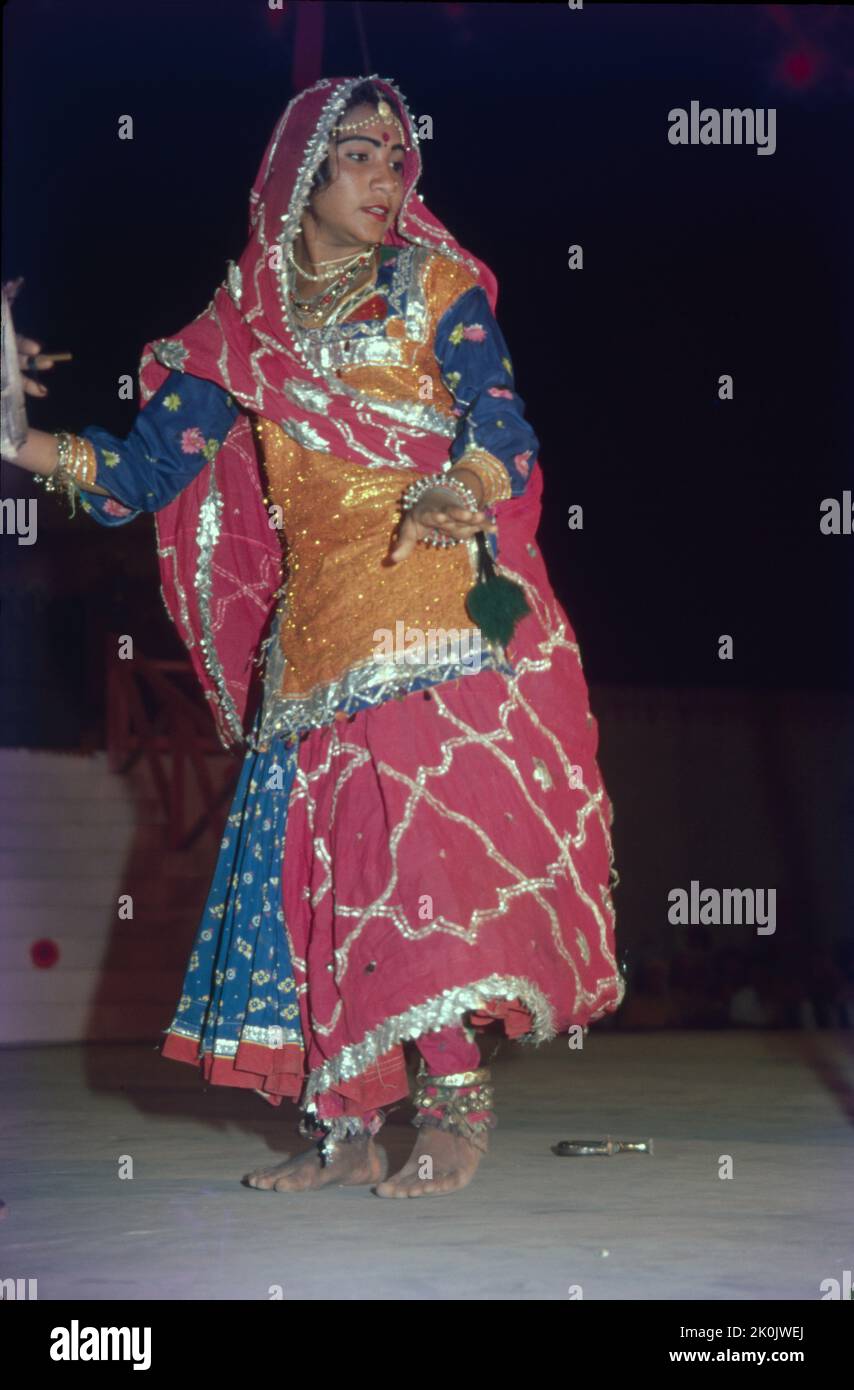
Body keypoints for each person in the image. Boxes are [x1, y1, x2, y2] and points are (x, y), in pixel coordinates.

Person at [6, 75, 624, 1198]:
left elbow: (502, 421)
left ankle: (453, 1104)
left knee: (410, 864)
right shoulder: (236, 330)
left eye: (396, 157)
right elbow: (141, 477)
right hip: (310, 649)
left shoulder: (436, 287)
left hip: (431, 612)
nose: (386, 178)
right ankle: (345, 1125)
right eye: (358, 155)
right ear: (298, 176)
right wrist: (23, 441)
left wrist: (465, 485)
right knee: (312, 881)